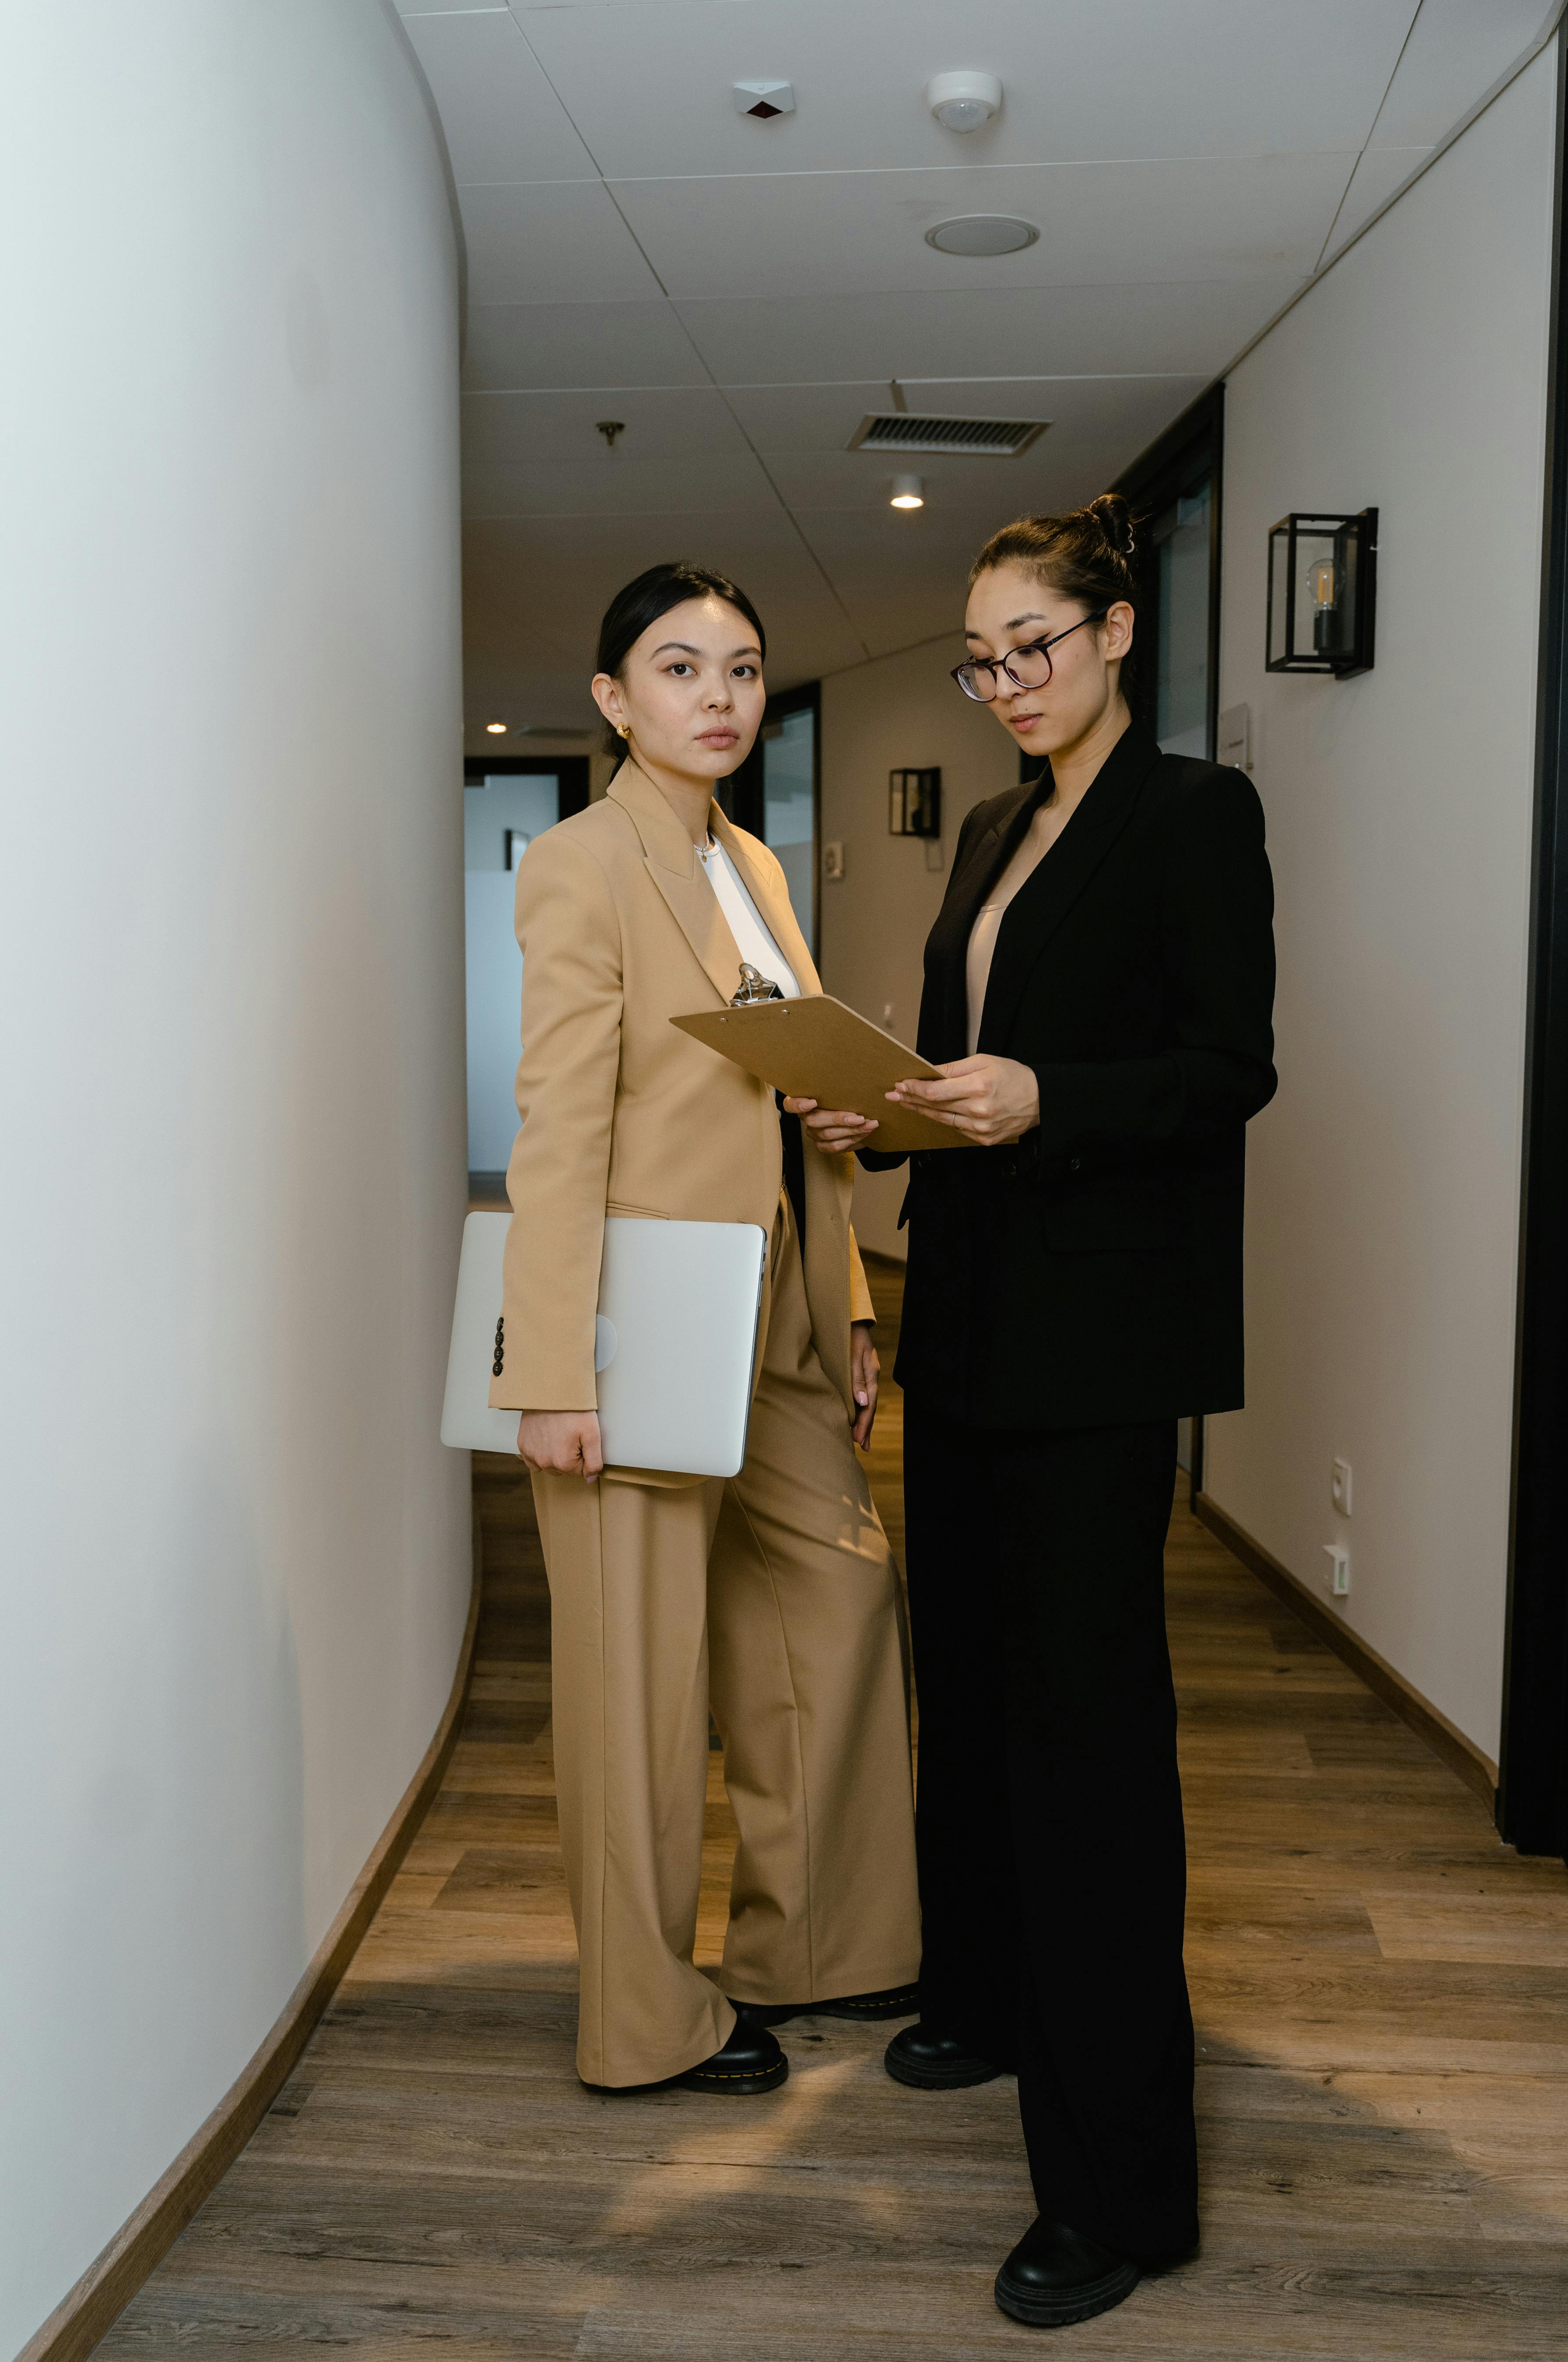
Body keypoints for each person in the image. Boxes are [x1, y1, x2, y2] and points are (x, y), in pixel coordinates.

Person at [790, 495, 1276, 2324]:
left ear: (1116, 630)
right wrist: (892, 1110)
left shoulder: (1193, 815)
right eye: (980, 660)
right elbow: (964, 1072)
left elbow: (1226, 1070)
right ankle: (988, 2000)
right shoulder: (997, 828)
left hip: (1100, 1354)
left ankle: (1120, 2192)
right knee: (978, 1691)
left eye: (1034, 648)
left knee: (1088, 1748)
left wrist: (1045, 1100)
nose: (1005, 683)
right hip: (973, 1326)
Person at [490, 560, 920, 2098]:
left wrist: (847, 1297)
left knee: (837, 1604)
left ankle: (821, 1946)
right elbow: (559, 1130)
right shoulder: (581, 864)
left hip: (777, 1312)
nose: (719, 696)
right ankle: (643, 2022)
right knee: (640, 1687)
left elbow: (795, 1091)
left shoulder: (753, 864)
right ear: (615, 700)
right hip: (640, 1329)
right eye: (679, 669)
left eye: (740, 668)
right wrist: (551, 1372)